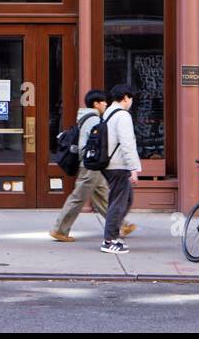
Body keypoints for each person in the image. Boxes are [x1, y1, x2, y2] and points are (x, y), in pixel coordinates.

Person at [49, 89, 135, 243]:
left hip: (90, 164)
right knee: (78, 197)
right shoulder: (94, 120)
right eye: (103, 102)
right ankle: (59, 229)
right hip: (91, 165)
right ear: (96, 104)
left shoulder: (86, 118)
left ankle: (122, 224)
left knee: (102, 195)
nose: (106, 104)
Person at [100, 83, 141, 255]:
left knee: (127, 199)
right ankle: (109, 240)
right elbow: (127, 143)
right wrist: (134, 168)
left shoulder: (108, 112)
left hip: (108, 163)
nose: (131, 101)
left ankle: (115, 232)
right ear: (125, 98)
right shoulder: (123, 115)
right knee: (118, 203)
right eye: (131, 98)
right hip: (118, 165)